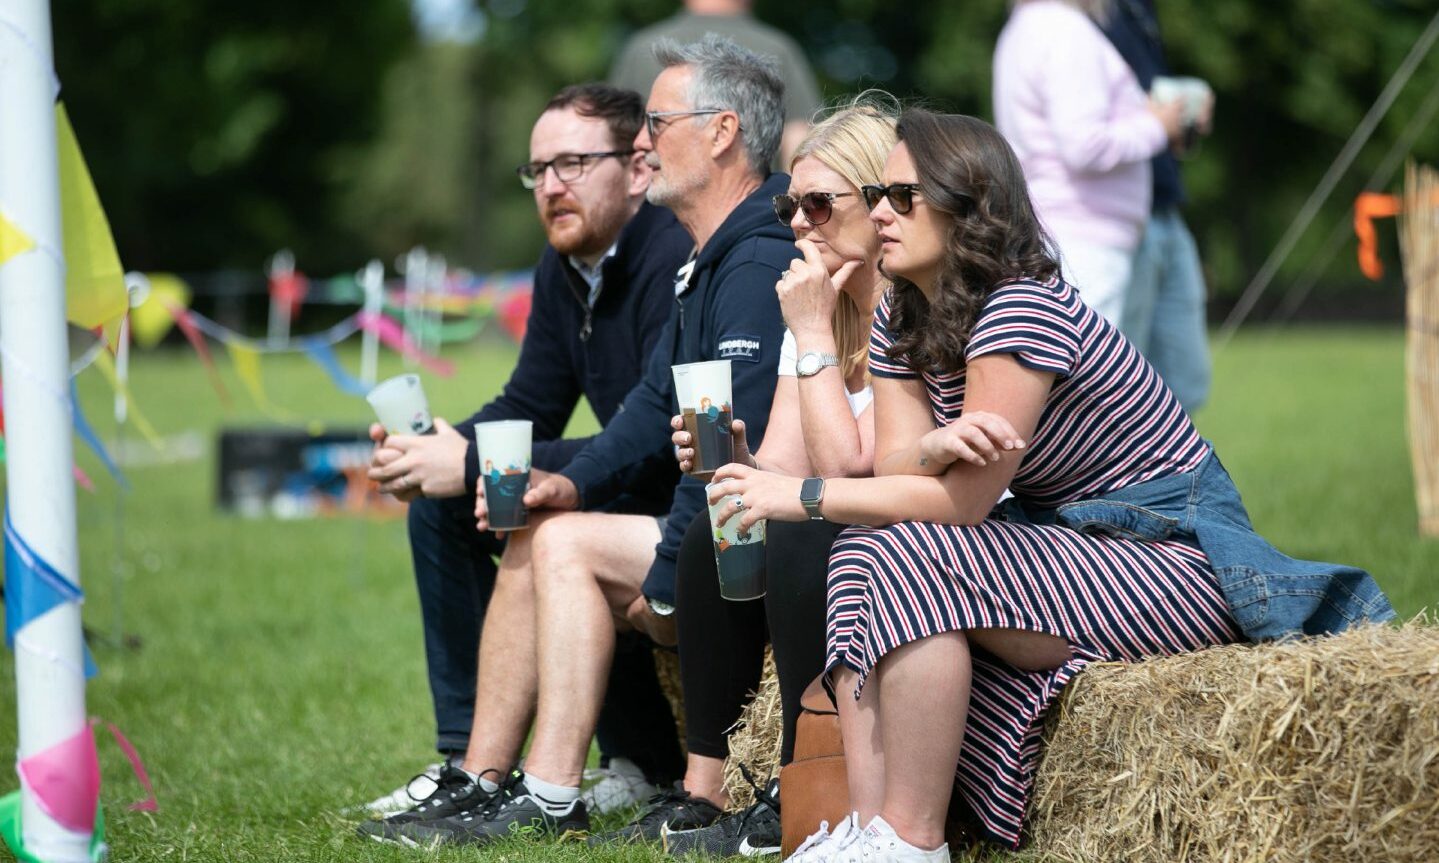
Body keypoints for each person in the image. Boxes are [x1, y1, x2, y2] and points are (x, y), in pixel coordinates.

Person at [708, 110, 1394, 862]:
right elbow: (898, 471)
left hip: (1171, 559)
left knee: (904, 554)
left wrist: (800, 496)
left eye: (903, 196)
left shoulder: (1020, 306)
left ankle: (912, 837)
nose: (879, 212)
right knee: (860, 555)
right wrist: (932, 444)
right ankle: (875, 834)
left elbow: (957, 507)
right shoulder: (904, 312)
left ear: (967, 205)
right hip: (1071, 552)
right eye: (877, 194)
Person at [398, 34, 797, 848]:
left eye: (655, 120)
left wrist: (661, 580)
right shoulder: (712, 256)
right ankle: (486, 779)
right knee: (545, 523)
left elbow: (724, 455)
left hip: (764, 543)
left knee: (561, 544)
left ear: (721, 132)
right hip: (722, 528)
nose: (643, 140)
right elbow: (657, 404)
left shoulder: (755, 261)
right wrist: (571, 484)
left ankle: (541, 792)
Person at [355, 83, 690, 835]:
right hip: (614, 479)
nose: (550, 186)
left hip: (678, 487)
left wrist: (473, 463)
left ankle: (630, 762)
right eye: (536, 171)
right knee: (444, 507)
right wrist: (437, 449)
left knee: (524, 506)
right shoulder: (563, 264)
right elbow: (531, 399)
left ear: (636, 168)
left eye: (572, 163)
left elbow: (653, 430)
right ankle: (465, 766)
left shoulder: (673, 251)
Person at [655, 95, 899, 859]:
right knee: (716, 522)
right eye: (790, 204)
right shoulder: (821, 311)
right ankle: (712, 780)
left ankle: (804, 777)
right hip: (843, 506)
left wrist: (806, 334)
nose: (796, 223)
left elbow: (850, 470)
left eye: (819, 205)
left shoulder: (905, 310)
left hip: (923, 527)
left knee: (801, 535)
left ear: (877, 201)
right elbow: (786, 471)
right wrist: (735, 460)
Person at [992, 0, 1183, 326]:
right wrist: (1157, 126)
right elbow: (1084, 145)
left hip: (1055, 230)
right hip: (1087, 241)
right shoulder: (1067, 32)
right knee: (1089, 370)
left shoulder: (1020, 28)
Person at [1104, 0, 1213, 411]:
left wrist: (1180, 117)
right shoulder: (1078, 16)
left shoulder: (1141, 9)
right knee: (1117, 379)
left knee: (1186, 379)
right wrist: (1156, 120)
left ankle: (1174, 471)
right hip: (1116, 221)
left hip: (1167, 209)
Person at [610, 0, 821, 166]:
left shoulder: (642, 48)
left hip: (653, 207)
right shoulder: (778, 49)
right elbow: (800, 138)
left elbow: (615, 137)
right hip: (751, 208)